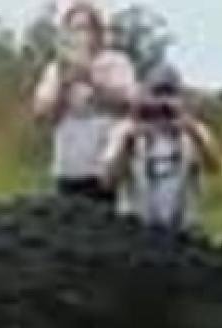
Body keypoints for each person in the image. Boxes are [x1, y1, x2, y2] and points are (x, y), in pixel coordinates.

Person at [32, 1, 138, 205]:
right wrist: (63, 85)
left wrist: (91, 79)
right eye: (74, 28)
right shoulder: (55, 70)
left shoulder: (117, 63)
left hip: (106, 170)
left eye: (85, 28)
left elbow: (131, 104)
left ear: (98, 31)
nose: (80, 35)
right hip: (68, 167)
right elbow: (41, 114)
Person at [101, 63, 220, 229]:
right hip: (135, 228)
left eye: (169, 94)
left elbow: (214, 168)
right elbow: (107, 182)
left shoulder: (194, 130)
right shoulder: (125, 130)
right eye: (157, 94)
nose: (162, 103)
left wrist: (192, 132)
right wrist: (127, 144)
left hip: (183, 227)